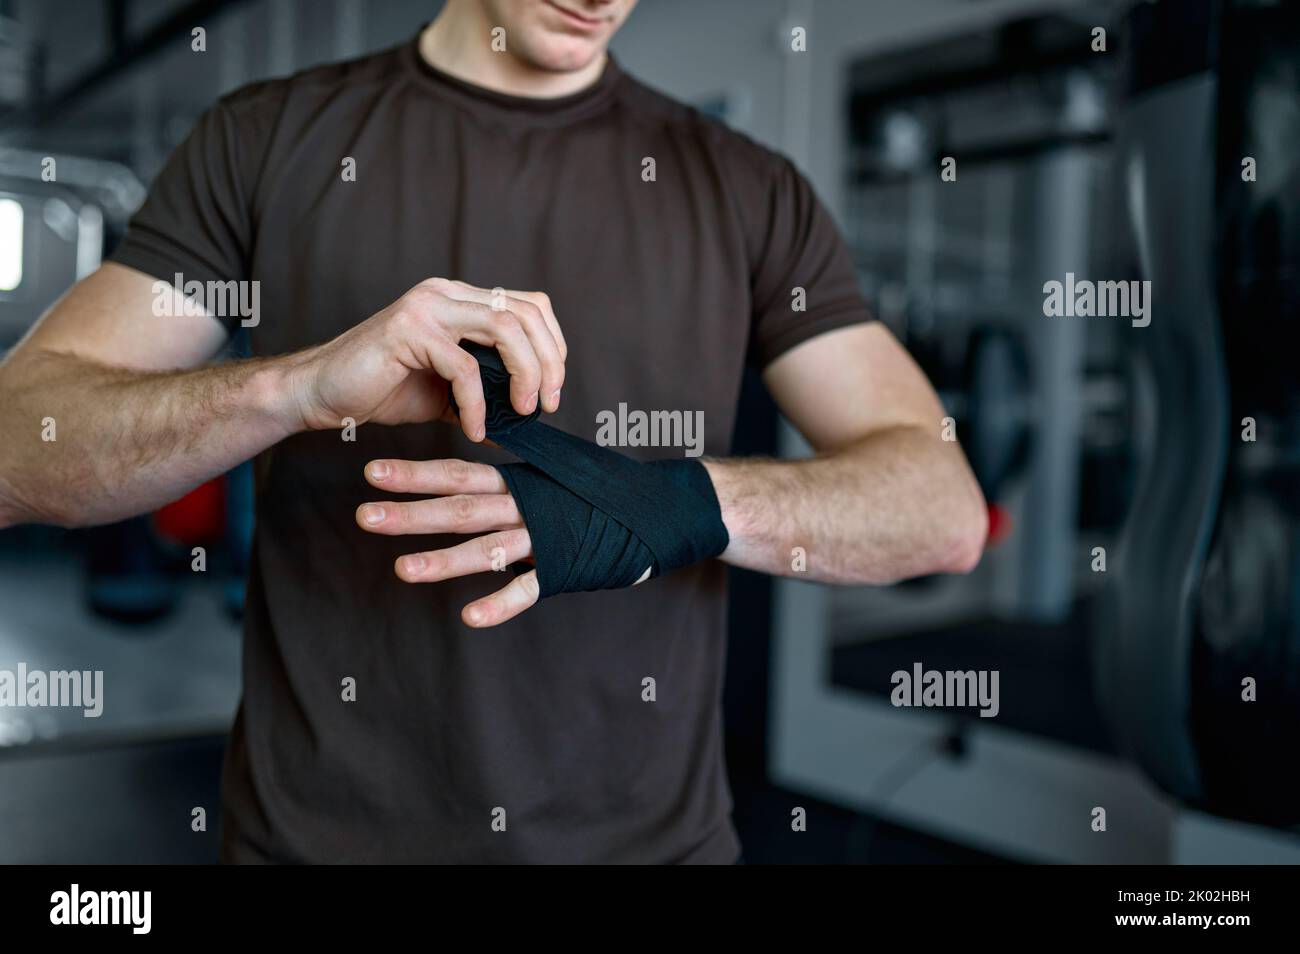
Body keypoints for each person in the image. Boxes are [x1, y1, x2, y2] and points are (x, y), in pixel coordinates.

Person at [0, 0, 987, 863]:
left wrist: (681, 503)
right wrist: (300, 390)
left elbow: (941, 510)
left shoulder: (747, 189)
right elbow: (16, 447)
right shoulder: (265, 139)